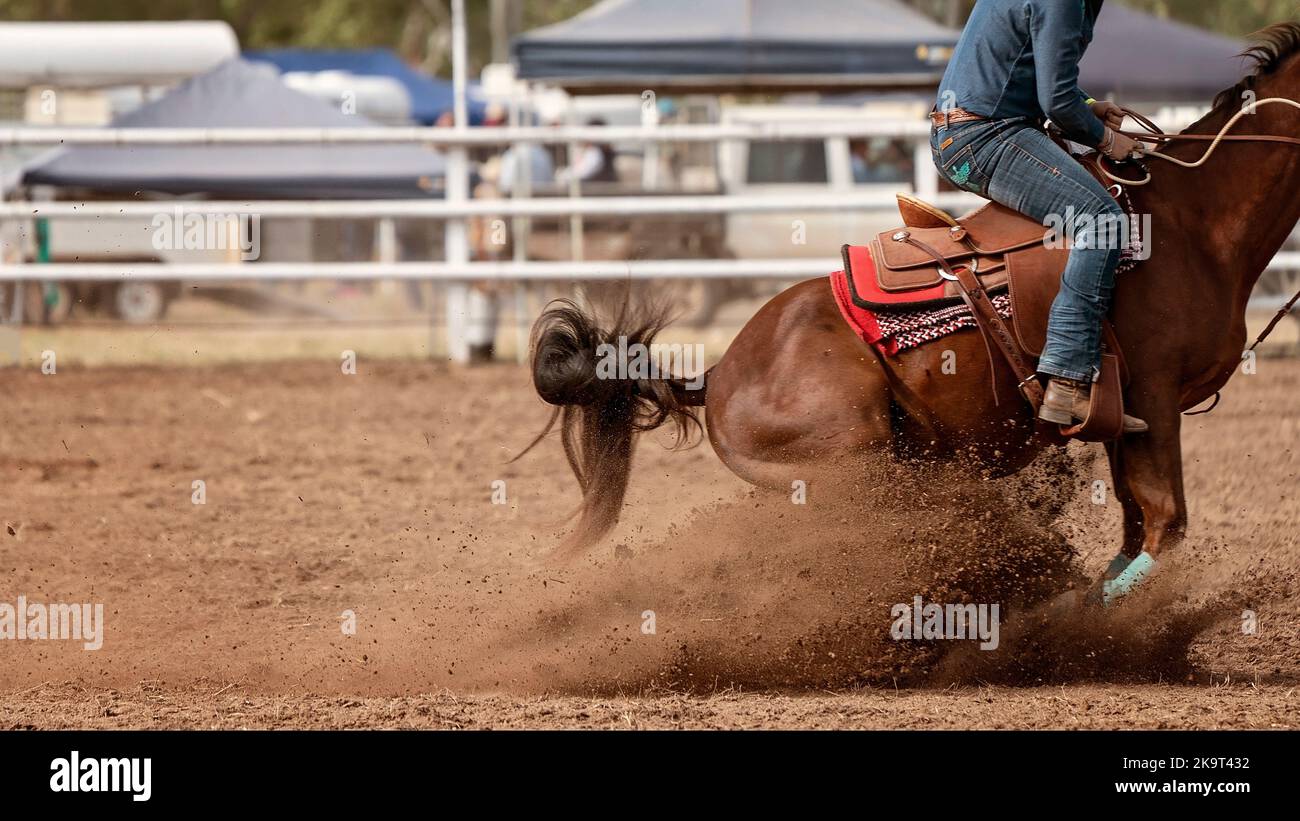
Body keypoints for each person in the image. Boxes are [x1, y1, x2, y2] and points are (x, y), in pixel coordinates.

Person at [932, 0, 1147, 433]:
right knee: (1100, 220)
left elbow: (1032, 69)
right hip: (985, 135)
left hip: (974, 129)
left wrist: (1086, 104)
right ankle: (1067, 379)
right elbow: (1055, 101)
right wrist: (1105, 138)